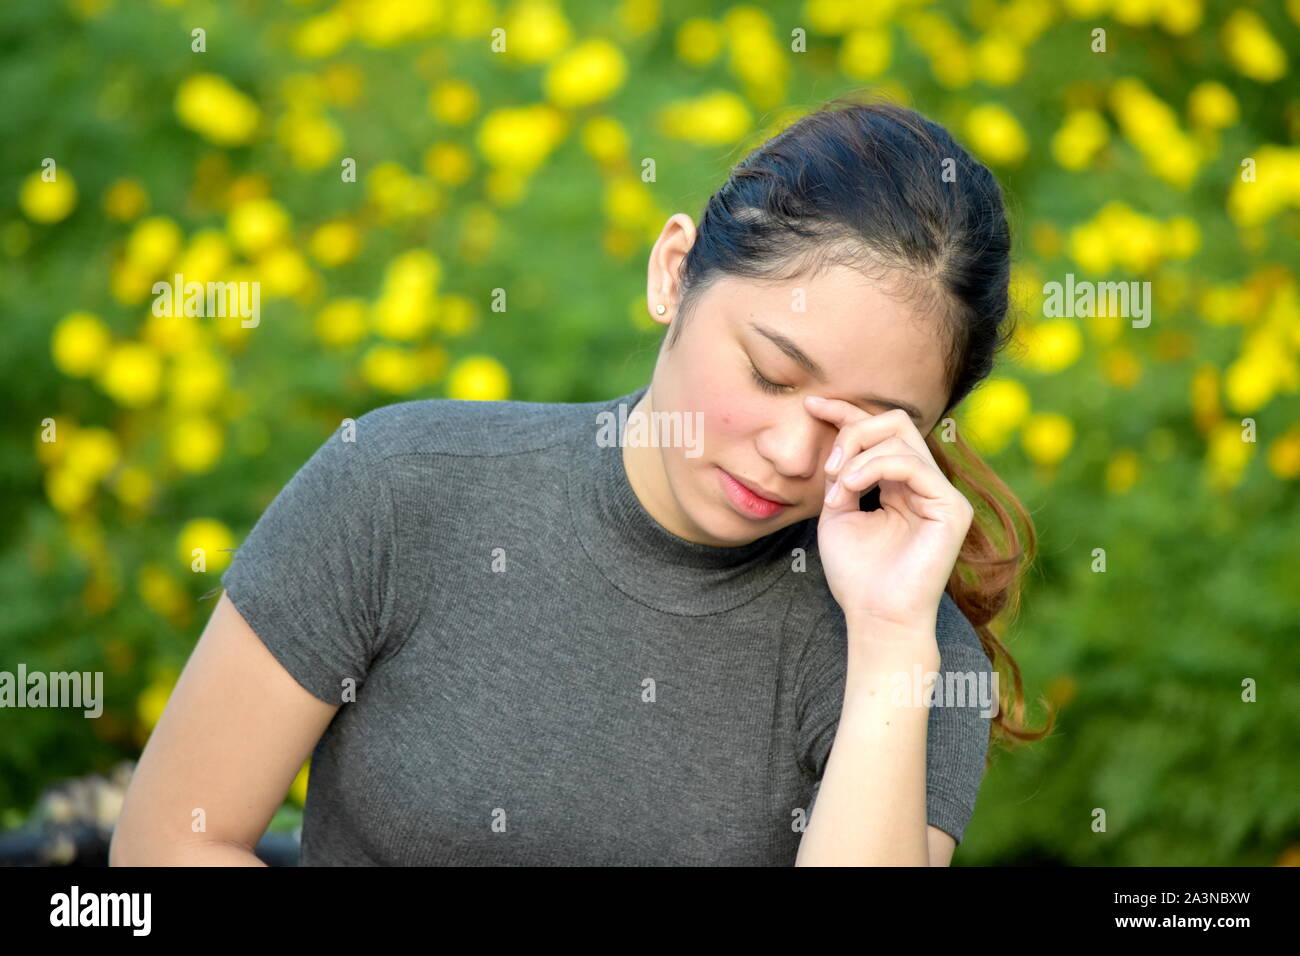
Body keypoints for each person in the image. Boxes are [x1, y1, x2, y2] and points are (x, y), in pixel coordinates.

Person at [110, 92, 1047, 868]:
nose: (795, 456)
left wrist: (889, 645)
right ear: (674, 274)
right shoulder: (397, 491)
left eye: (866, 423)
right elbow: (165, 847)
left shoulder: (905, 649)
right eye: (770, 374)